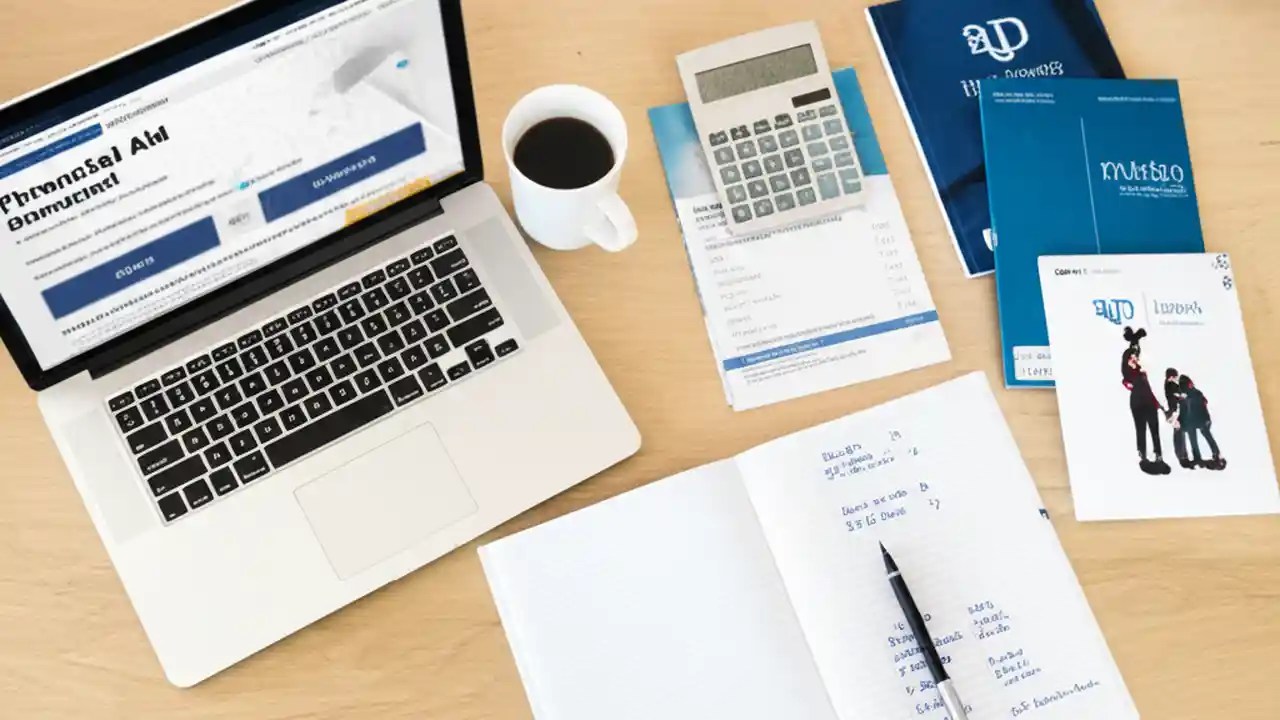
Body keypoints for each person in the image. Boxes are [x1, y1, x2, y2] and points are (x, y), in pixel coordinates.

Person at [1120, 327, 1169, 475]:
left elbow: (1154, 390)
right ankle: (1143, 454)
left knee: (1154, 429)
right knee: (1141, 428)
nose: (1135, 359)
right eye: (1132, 358)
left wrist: (1161, 406)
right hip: (1138, 401)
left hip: (1147, 401)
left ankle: (1158, 455)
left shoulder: (1145, 373)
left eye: (1136, 357)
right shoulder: (1131, 374)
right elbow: (1126, 380)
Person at [1178, 374, 1226, 470]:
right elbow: (1204, 402)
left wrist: (1181, 422)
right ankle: (1216, 454)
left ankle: (1198, 458)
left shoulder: (1184, 396)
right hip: (1201, 419)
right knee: (1206, 436)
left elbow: (1183, 410)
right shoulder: (1196, 392)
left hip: (1191, 421)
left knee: (1193, 439)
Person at [1164, 368, 1192, 469]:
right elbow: (1176, 397)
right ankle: (1182, 457)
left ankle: (1183, 456)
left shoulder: (1170, 384)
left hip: (1175, 413)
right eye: (1175, 376)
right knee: (1179, 434)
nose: (1176, 378)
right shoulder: (1170, 385)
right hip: (1175, 413)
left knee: (1179, 433)